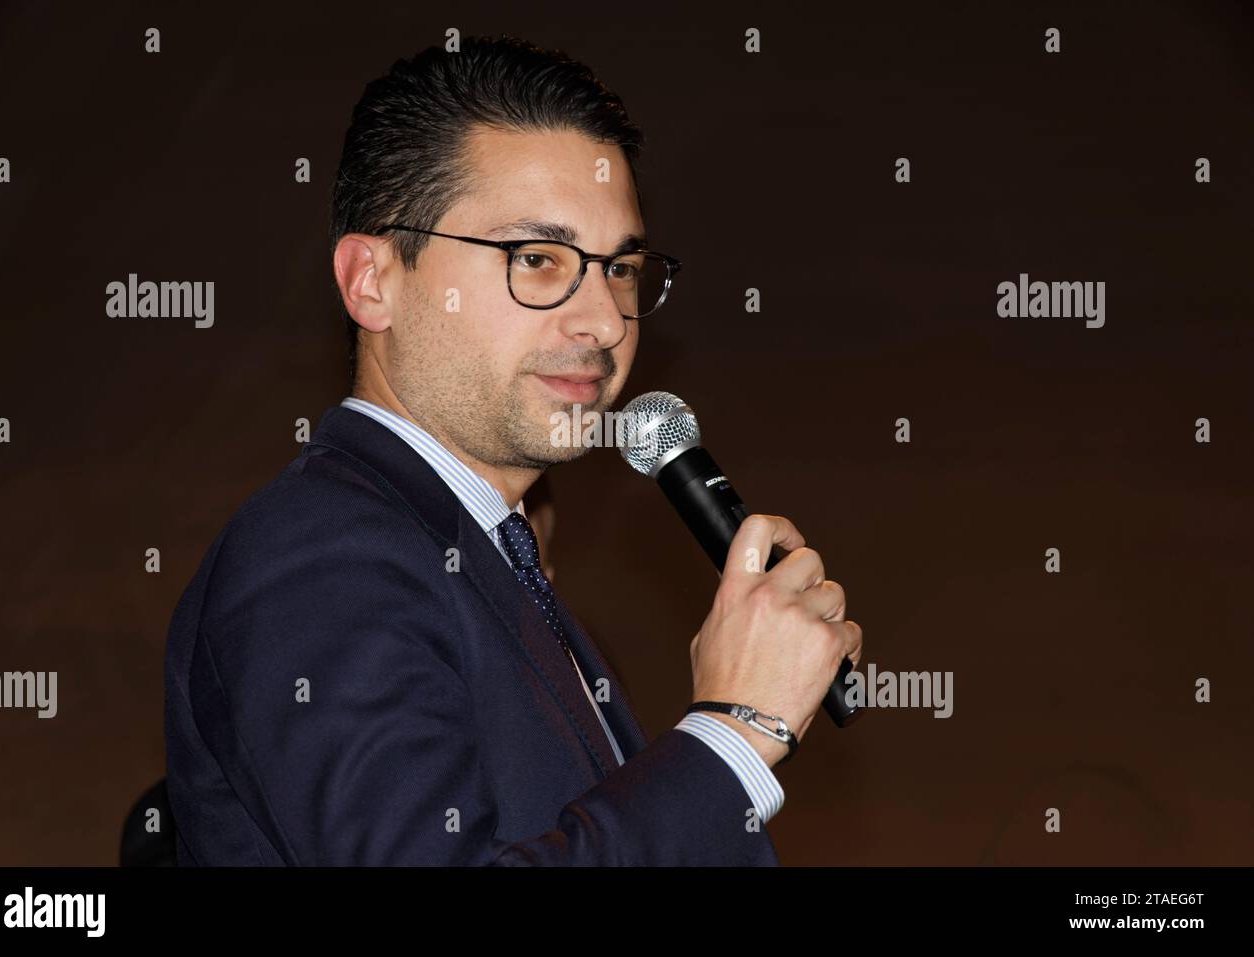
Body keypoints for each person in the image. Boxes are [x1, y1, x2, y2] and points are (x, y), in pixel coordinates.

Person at [163, 34, 862, 865]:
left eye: (622, 268)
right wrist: (735, 731)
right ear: (371, 281)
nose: (605, 321)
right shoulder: (320, 559)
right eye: (537, 259)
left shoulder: (490, 547)